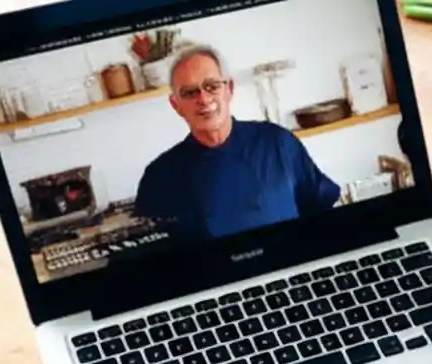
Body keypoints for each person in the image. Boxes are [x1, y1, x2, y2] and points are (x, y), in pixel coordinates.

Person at [134, 45, 341, 239]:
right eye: (189, 93)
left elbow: (321, 210)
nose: (204, 99)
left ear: (229, 89)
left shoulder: (278, 142)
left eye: (212, 86)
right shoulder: (158, 177)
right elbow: (153, 257)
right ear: (175, 104)